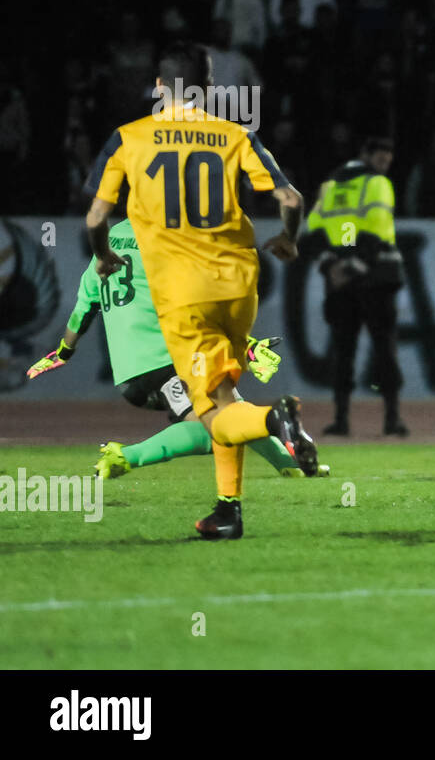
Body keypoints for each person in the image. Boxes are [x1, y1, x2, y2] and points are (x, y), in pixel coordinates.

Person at [83, 41, 313, 540]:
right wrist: (289, 240)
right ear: (208, 89)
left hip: (184, 297)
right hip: (238, 286)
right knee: (224, 391)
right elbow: (290, 197)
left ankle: (275, 419)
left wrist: (102, 253)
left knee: (214, 412)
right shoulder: (236, 134)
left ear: (159, 87)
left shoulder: (128, 138)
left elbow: (97, 215)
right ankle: (227, 511)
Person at [25, 218, 324, 479]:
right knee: (216, 429)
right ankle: (125, 456)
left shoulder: (114, 235)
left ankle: (291, 464)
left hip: (130, 369)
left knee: (230, 404)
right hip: (165, 357)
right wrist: (244, 345)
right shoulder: (168, 239)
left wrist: (63, 352)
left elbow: (84, 306)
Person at [306, 136, 407, 436]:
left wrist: (331, 266)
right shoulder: (377, 184)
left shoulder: (330, 186)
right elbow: (376, 227)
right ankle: (391, 419)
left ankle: (341, 420)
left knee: (343, 350)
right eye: (380, 154)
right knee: (384, 348)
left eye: (388, 155)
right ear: (365, 154)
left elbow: (314, 229)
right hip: (376, 277)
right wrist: (355, 266)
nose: (385, 160)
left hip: (339, 281)